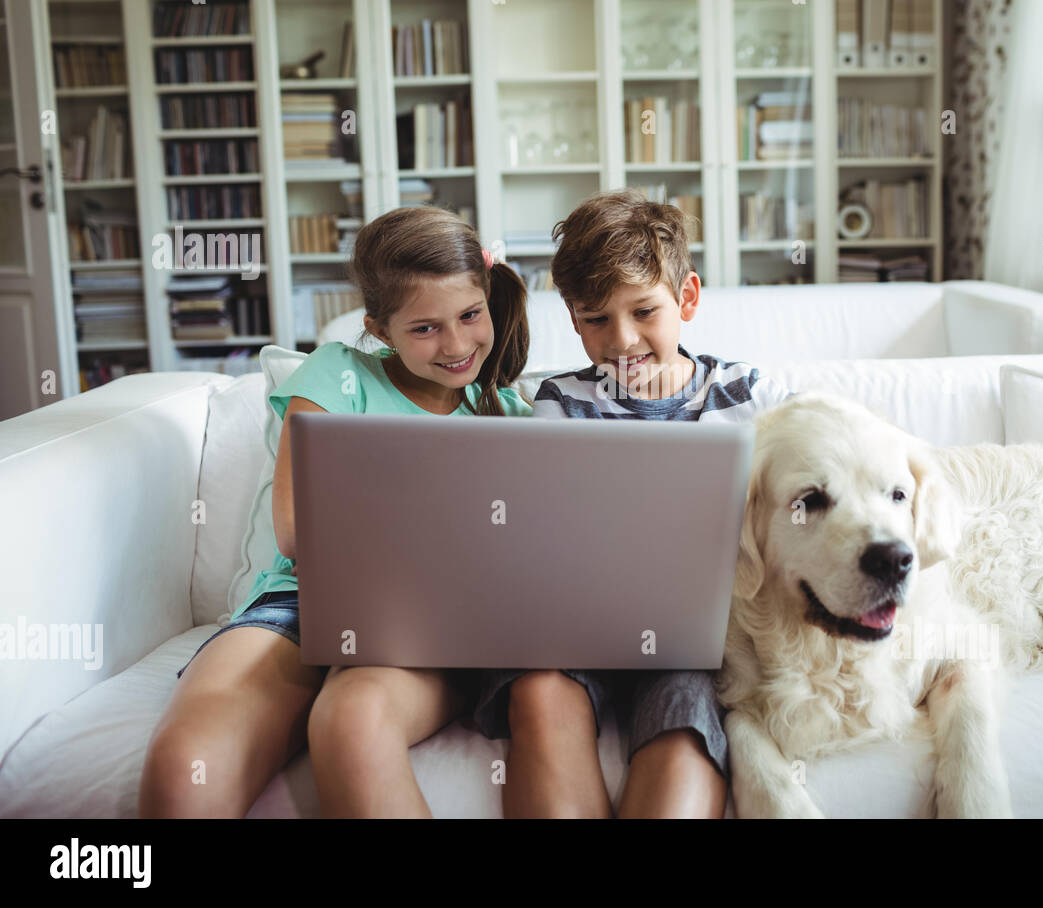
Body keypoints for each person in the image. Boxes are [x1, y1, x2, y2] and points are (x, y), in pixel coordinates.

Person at [139, 207, 531, 817]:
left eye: (469, 315)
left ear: (487, 300)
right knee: (184, 771)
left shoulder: (510, 414)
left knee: (353, 724)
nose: (456, 345)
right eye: (425, 328)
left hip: (432, 627)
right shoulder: (337, 374)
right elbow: (298, 533)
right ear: (378, 328)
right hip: (303, 603)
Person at [474, 189, 791, 818]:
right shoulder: (559, 401)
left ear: (688, 298)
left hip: (691, 640)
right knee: (538, 690)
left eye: (644, 310)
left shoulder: (752, 395)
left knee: (685, 721)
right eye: (595, 319)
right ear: (572, 319)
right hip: (575, 628)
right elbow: (540, 535)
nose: (622, 341)